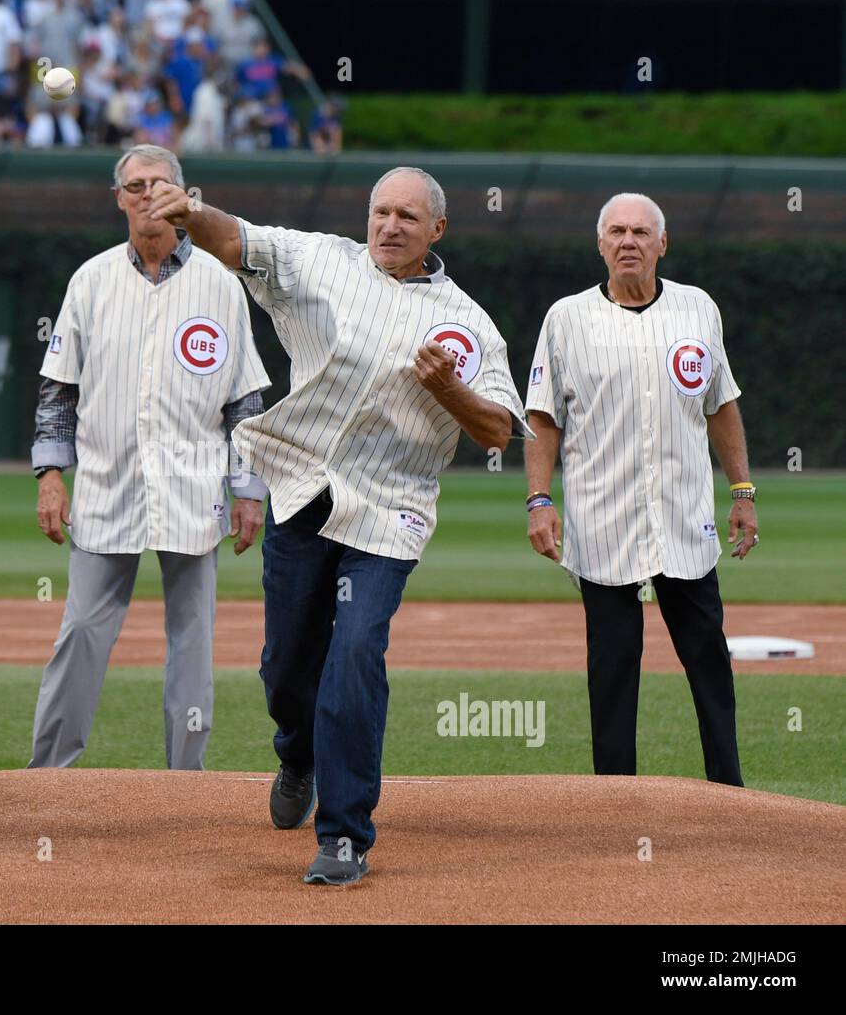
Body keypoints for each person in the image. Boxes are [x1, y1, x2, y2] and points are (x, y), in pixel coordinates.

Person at [150, 166, 530, 884]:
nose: (390, 226)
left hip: (388, 511)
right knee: (287, 666)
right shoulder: (320, 261)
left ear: (438, 230)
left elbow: (496, 433)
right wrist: (188, 210)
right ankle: (298, 752)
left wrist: (448, 387)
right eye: (381, 211)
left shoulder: (466, 324)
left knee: (355, 653)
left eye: (408, 218)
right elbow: (237, 241)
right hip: (300, 488)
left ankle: (345, 835)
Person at [29, 143, 271, 772]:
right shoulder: (91, 279)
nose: (146, 196)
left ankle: (184, 778)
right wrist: (51, 475)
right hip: (107, 483)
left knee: (192, 641)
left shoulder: (221, 281)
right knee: (81, 632)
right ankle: (46, 776)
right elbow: (58, 390)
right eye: (133, 186)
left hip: (194, 486)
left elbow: (245, 400)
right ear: (119, 199)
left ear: (184, 196)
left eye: (159, 185)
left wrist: (250, 489)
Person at [524, 192, 753, 787]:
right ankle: (615, 797)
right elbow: (543, 417)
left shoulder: (697, 309)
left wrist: (744, 491)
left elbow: (721, 404)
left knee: (709, 661)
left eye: (641, 232)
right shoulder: (566, 318)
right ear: (600, 243)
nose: (629, 241)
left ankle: (728, 789)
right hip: (604, 523)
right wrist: (539, 500)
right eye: (617, 231)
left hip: (684, 519)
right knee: (613, 667)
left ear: (662, 243)